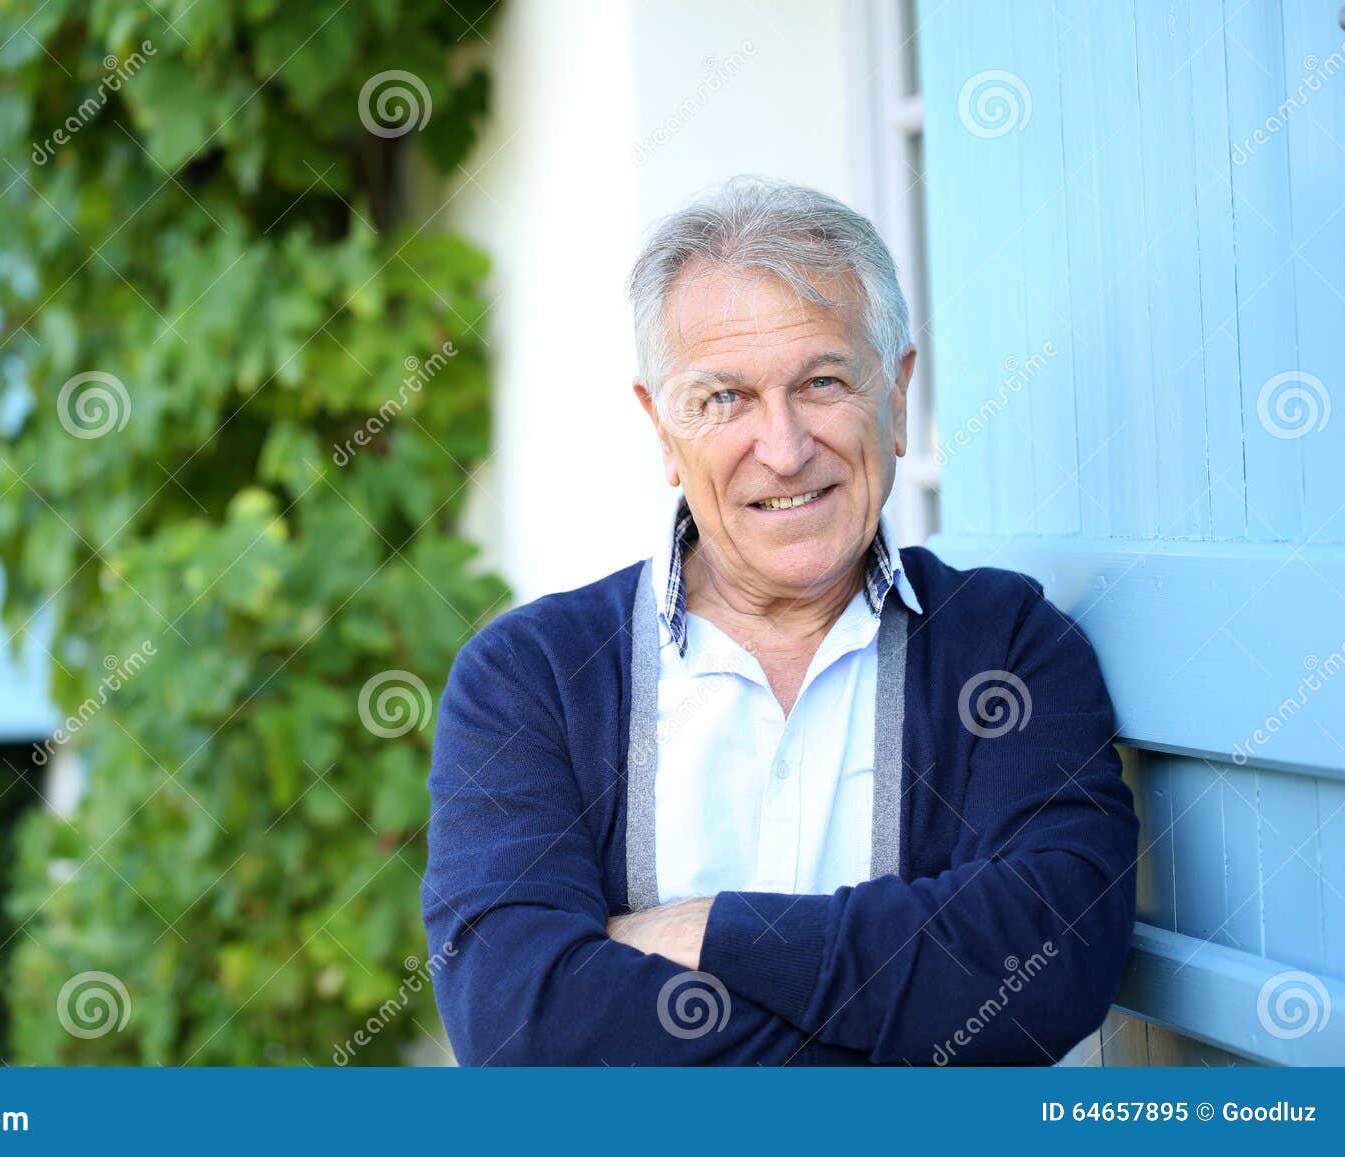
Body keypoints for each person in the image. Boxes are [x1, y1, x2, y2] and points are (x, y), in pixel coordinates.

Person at [421, 176, 1138, 1065]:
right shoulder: (532, 677)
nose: (786, 446)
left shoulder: (1008, 648)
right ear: (662, 428)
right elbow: (524, 1027)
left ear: (897, 393)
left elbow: (1048, 968)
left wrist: (711, 930)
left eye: (824, 380)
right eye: (723, 399)